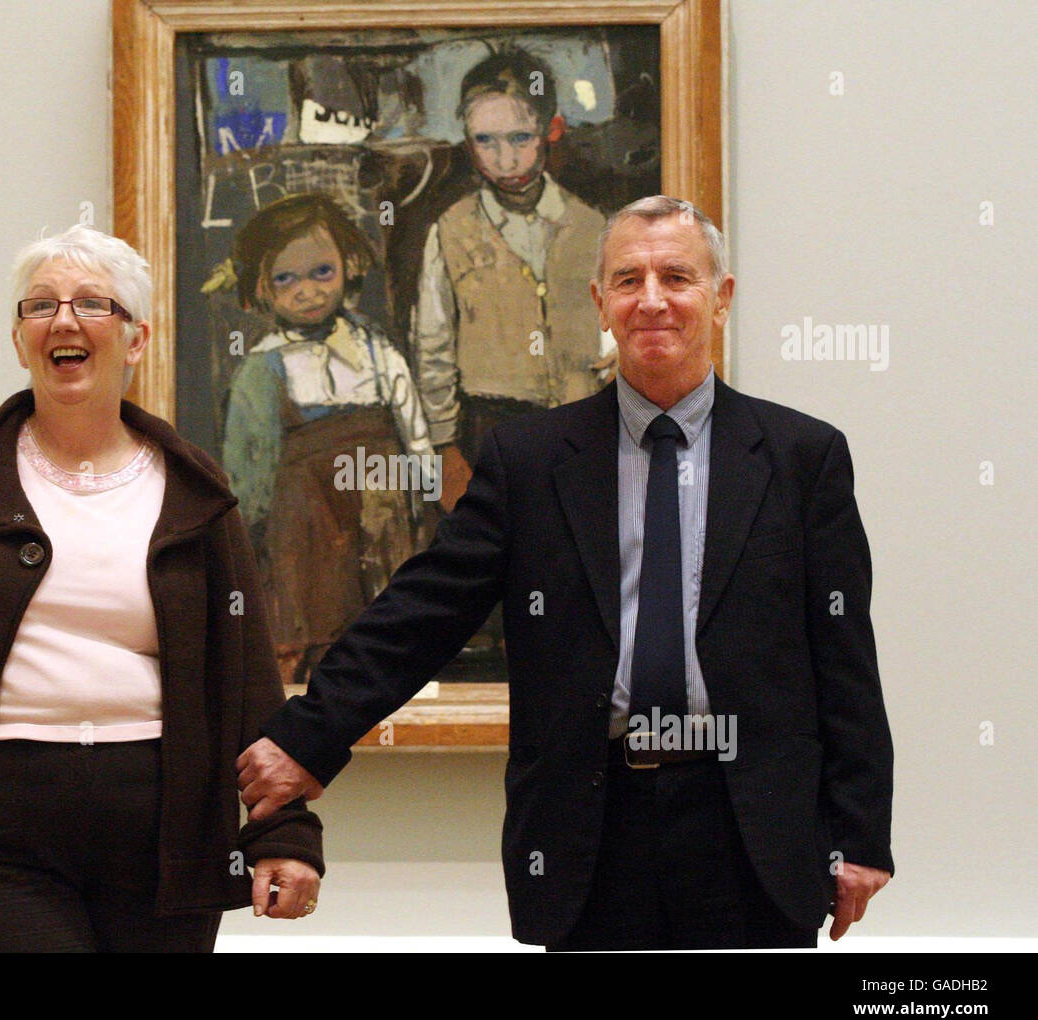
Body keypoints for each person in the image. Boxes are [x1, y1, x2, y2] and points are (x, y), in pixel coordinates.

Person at [237, 196, 894, 950]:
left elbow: (846, 660)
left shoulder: (802, 457)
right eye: (627, 279)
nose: (651, 299)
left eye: (677, 277)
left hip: (751, 834)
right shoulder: (532, 460)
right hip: (591, 831)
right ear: (599, 302)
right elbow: (422, 613)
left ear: (722, 297)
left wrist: (861, 832)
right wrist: (307, 736)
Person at [0, 224, 322, 952]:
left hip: (167, 830)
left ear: (135, 339)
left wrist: (285, 832)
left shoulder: (194, 485)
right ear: (19, 339)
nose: (63, 320)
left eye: (92, 303)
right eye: (41, 306)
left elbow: (246, 675)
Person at [222, 193, 437, 683]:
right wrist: (258, 529)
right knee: (316, 621)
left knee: (385, 625)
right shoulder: (261, 369)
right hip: (305, 525)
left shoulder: (378, 352)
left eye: (321, 272)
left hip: (381, 512)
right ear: (261, 286)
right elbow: (247, 469)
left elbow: (414, 429)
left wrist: (422, 494)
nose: (307, 291)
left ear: (349, 266)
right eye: (286, 278)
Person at [414, 47, 618, 513]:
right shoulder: (450, 229)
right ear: (468, 144)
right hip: (490, 431)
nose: (505, 159)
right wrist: (444, 448)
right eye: (486, 141)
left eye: (520, 138)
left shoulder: (592, 226)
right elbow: (433, 343)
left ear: (552, 131)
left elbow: (618, 330)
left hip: (583, 428)